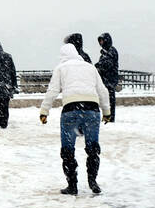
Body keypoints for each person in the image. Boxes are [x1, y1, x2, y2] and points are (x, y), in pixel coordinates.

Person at [40, 43, 111, 194]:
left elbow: (52, 91)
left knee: (68, 150)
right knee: (93, 149)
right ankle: (93, 182)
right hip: (92, 110)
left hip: (71, 111)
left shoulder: (61, 68)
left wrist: (44, 111)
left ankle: (72, 185)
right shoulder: (90, 67)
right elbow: (103, 91)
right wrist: (106, 111)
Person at [95, 33, 120, 123]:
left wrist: (98, 66)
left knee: (109, 101)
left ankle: (109, 118)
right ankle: (107, 117)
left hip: (109, 81)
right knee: (106, 100)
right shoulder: (105, 52)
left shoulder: (111, 51)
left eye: (102, 40)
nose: (101, 43)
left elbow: (107, 64)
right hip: (106, 81)